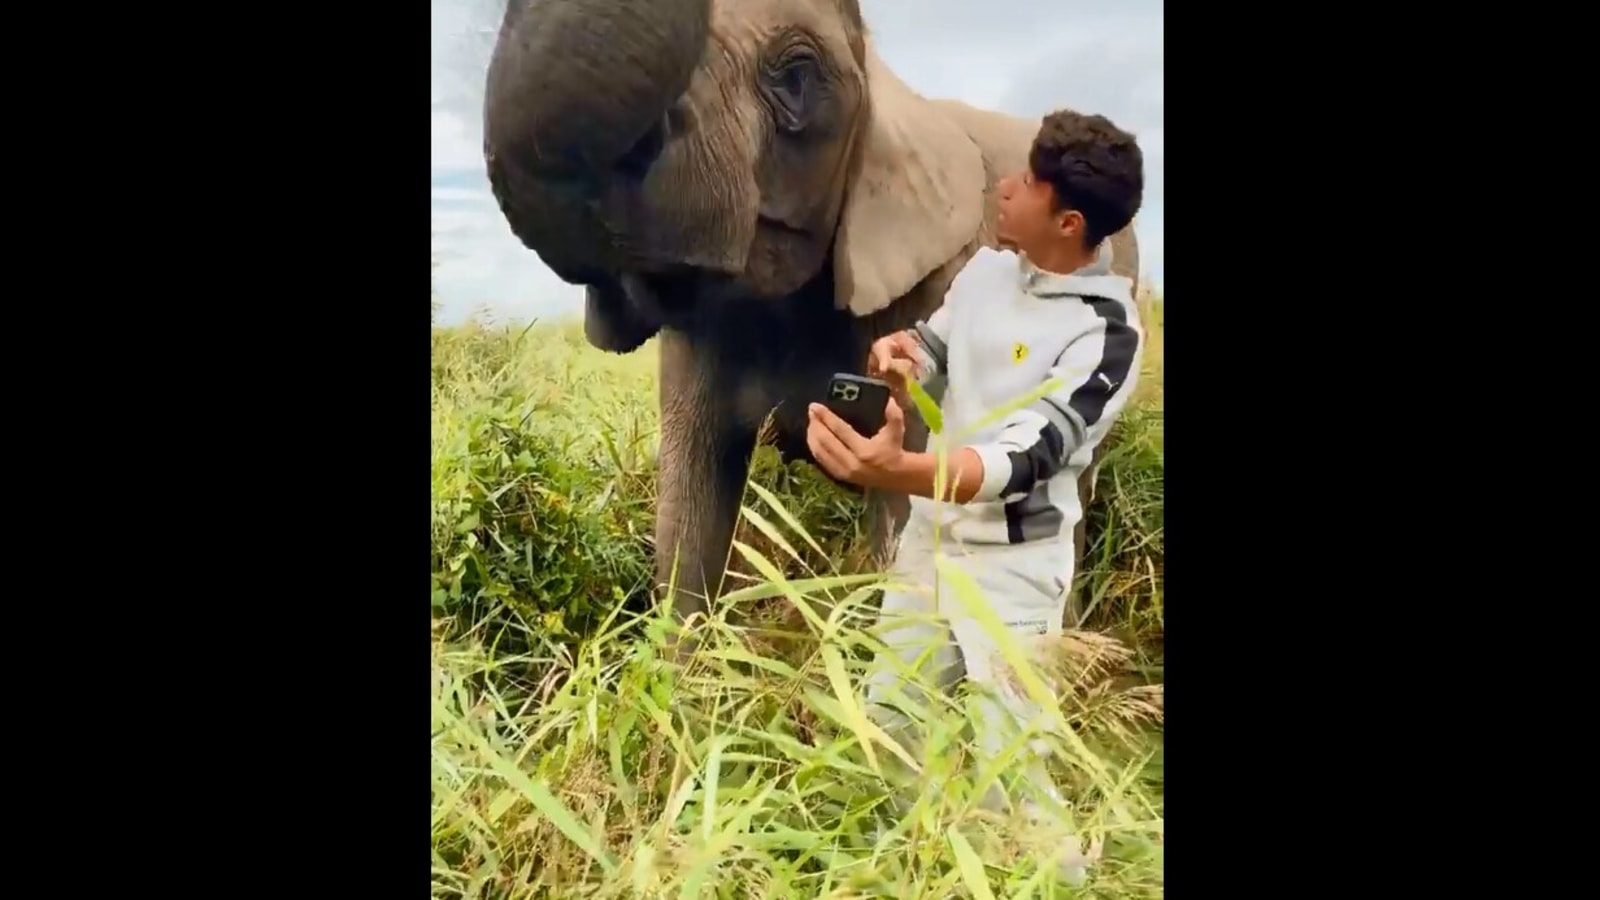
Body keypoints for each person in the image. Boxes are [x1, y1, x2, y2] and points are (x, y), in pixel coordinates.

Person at [804, 108, 1145, 883]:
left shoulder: (1107, 333)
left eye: (1027, 181)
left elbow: (1025, 458)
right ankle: (919, 869)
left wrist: (896, 472)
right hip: (930, 545)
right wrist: (899, 357)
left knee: (1011, 768)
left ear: (1068, 222)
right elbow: (934, 344)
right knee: (890, 723)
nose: (1005, 186)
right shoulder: (987, 270)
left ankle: (1057, 884)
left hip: (1014, 571)